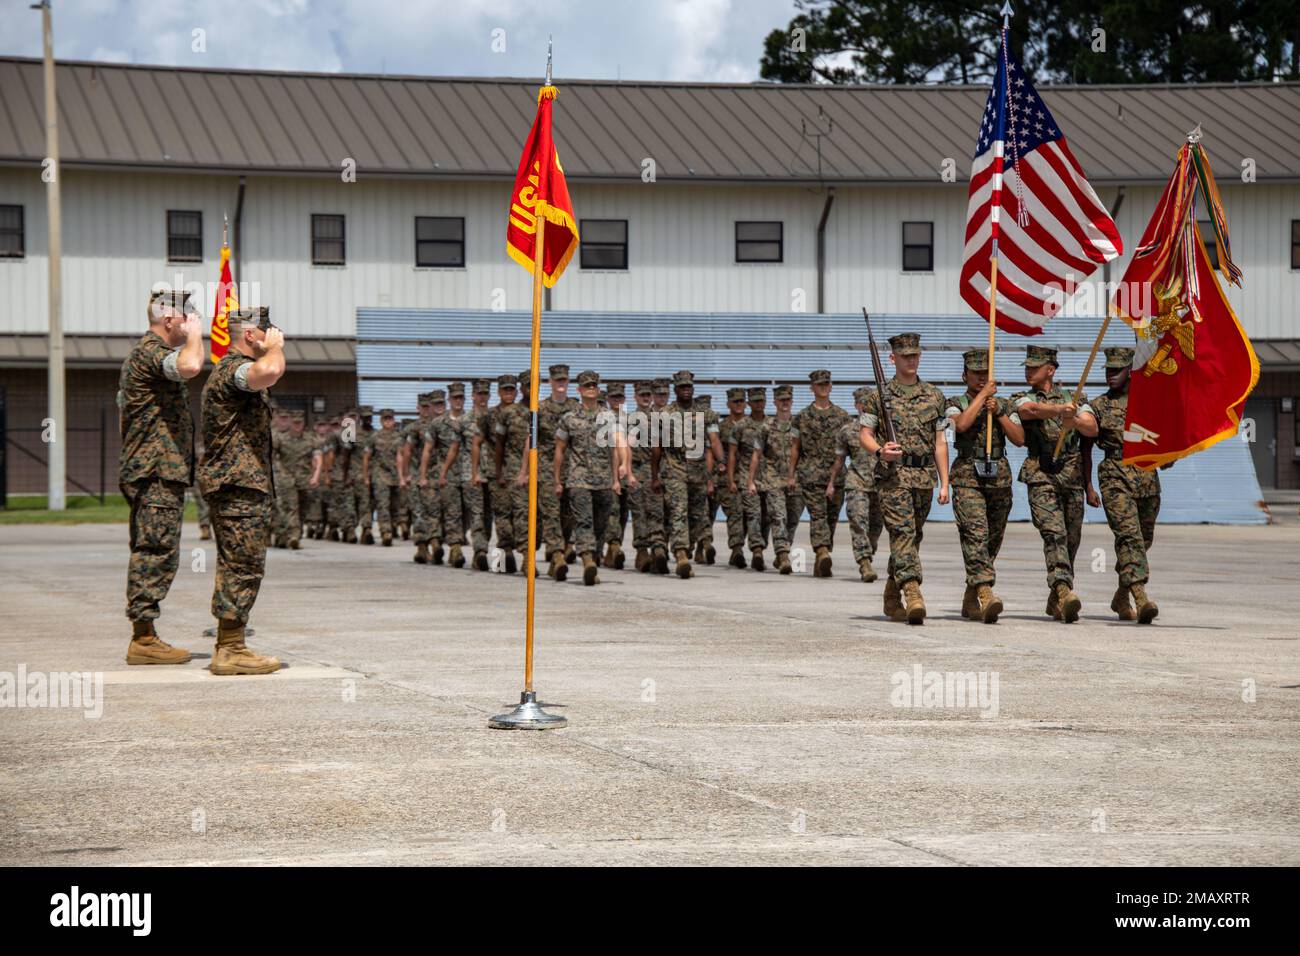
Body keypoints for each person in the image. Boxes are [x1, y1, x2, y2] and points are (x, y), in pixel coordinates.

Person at [197, 306, 286, 675]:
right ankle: (230, 648)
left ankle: (231, 642)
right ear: (251, 336)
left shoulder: (232, 369)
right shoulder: (232, 368)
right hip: (237, 485)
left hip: (242, 484)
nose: (273, 335)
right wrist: (276, 349)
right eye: (266, 331)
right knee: (242, 564)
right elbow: (269, 371)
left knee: (240, 563)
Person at [118, 289, 205, 665]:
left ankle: (146, 634)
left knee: (158, 548)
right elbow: (190, 367)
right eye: (187, 314)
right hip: (154, 469)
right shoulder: (151, 352)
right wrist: (197, 335)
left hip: (158, 469)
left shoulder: (152, 353)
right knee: (155, 550)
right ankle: (143, 639)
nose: (192, 318)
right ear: (169, 320)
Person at [859, 332, 950, 624]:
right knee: (903, 534)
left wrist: (945, 482)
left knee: (912, 538)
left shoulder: (935, 396)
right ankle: (912, 592)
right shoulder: (878, 396)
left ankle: (890, 593)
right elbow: (865, 436)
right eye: (905, 355)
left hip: (923, 478)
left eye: (915, 355)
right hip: (893, 478)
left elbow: (940, 442)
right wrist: (880, 452)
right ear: (893, 358)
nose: (911, 360)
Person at [1013, 344, 1099, 623]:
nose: (1028, 371)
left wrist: (1071, 417)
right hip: (1041, 474)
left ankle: (1056, 599)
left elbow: (1091, 427)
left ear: (1049, 370)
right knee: (1054, 533)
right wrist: (1058, 410)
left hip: (1071, 476)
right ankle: (1063, 589)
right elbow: (1029, 411)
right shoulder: (1022, 397)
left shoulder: (1075, 398)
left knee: (1071, 538)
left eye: (1033, 367)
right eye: (1026, 367)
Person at [1082, 347, 1162, 624]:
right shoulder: (1098, 406)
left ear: (1130, 372)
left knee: (1144, 539)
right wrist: (1088, 487)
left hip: (1147, 476)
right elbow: (1086, 451)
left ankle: (1120, 595)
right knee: (1129, 536)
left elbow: (1160, 439)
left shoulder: (1149, 403)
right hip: (1114, 474)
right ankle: (1140, 595)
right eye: (1108, 370)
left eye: (1116, 370)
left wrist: (1168, 457)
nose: (1111, 375)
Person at [946, 348, 1025, 623]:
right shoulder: (954, 402)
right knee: (975, 535)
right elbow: (961, 425)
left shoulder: (1005, 405)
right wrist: (981, 398)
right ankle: (985, 592)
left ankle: (972, 595)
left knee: (992, 540)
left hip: (999, 479)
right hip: (968, 477)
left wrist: (999, 412)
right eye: (975, 373)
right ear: (965, 375)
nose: (980, 378)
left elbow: (1018, 438)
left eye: (985, 374)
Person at [554, 370, 624, 585]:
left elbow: (615, 448)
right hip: (579, 479)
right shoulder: (569, 418)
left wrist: (616, 478)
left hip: (603, 480)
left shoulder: (609, 417)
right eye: (586, 386)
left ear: (598, 389)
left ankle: (593, 557)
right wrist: (558, 480)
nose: (591, 389)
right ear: (579, 390)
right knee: (584, 522)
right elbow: (560, 450)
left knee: (601, 524)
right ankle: (587, 560)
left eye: (593, 385)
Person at [791, 370, 852, 577]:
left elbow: (850, 446)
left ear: (831, 387)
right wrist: (791, 475)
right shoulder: (801, 417)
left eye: (826, 384)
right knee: (818, 515)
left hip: (837, 477)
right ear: (812, 388)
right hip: (810, 476)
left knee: (832, 518)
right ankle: (822, 550)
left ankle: (822, 555)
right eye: (819, 385)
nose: (823, 387)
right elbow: (795, 448)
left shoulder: (843, 416)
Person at [747, 384, 800, 575]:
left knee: (792, 519)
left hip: (795, 480)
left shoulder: (798, 425)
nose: (785, 403)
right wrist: (750, 481)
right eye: (781, 400)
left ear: (792, 402)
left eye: (787, 400)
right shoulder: (766, 427)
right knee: (779, 517)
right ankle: (783, 554)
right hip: (772, 479)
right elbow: (756, 454)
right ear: (775, 402)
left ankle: (782, 551)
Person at [829, 386, 880, 583]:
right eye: (862, 403)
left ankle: (869, 550)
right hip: (856, 482)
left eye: (869, 403)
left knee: (875, 526)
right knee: (858, 522)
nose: (865, 406)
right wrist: (831, 483)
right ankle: (864, 563)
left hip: (879, 484)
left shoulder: (884, 429)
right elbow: (839, 461)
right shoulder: (847, 431)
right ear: (856, 405)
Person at [729, 386, 769, 570]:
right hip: (746, 477)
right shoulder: (740, 427)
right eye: (755, 401)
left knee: (767, 516)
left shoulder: (771, 425)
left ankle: (760, 544)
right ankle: (757, 550)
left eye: (761, 400)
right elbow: (732, 454)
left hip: (769, 477)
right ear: (749, 403)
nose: (759, 404)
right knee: (752, 514)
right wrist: (731, 479)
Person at [717, 387, 749, 569]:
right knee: (735, 513)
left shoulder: (751, 425)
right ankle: (737, 549)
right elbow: (713, 450)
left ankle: (741, 545)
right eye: (735, 401)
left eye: (741, 401)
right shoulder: (722, 427)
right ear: (728, 404)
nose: (739, 405)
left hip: (750, 477)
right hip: (728, 478)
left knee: (749, 516)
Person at [601, 382, 630, 569]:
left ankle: (614, 546)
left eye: (620, 397)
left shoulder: (631, 420)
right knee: (612, 512)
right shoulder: (602, 418)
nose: (617, 400)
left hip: (627, 473)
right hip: (607, 472)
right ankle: (613, 546)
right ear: (608, 399)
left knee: (623, 514)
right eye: (614, 397)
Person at [365, 409, 403, 546]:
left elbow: (400, 457)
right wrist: (366, 476)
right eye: (385, 419)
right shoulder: (374, 437)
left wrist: (402, 477)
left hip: (394, 476)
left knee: (395, 506)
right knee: (383, 505)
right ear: (381, 421)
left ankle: (393, 527)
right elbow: (367, 457)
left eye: (390, 419)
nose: (388, 421)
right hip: (379, 475)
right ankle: (385, 532)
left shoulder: (399, 437)